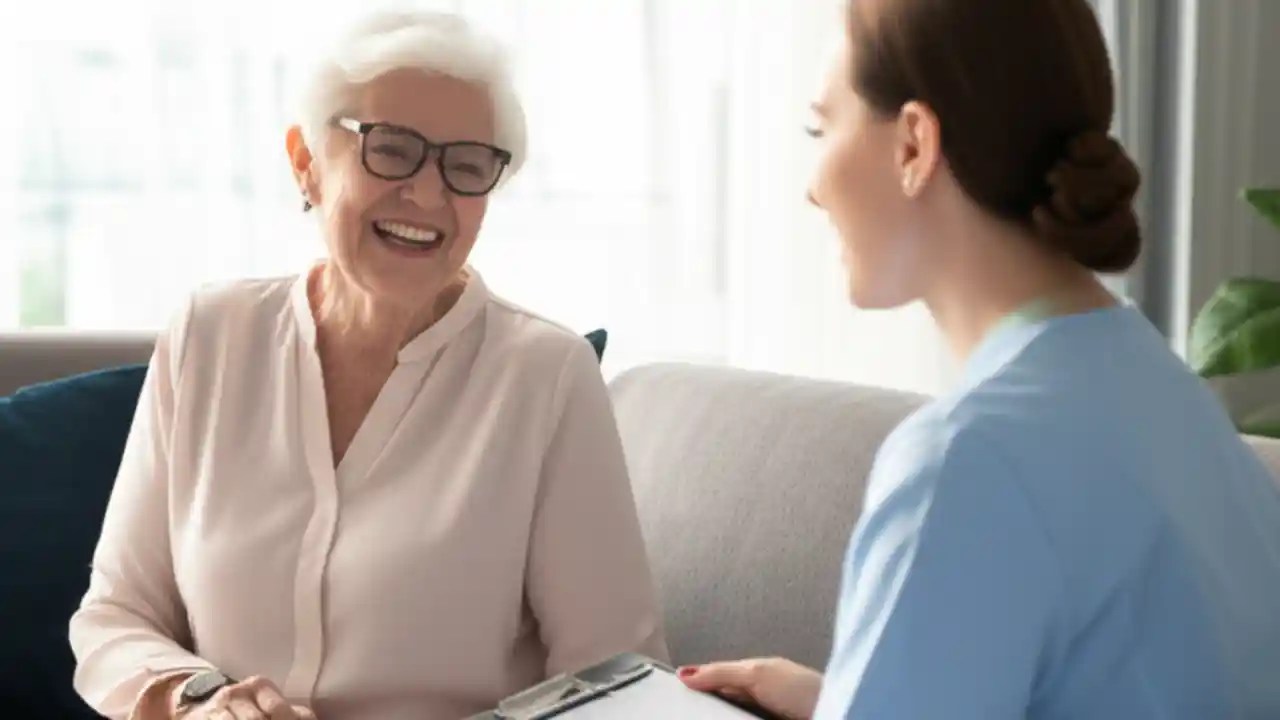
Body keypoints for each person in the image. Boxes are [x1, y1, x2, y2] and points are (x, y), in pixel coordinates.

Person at [679, 0, 1280, 718]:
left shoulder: (967, 458)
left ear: (913, 146)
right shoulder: (1162, 390)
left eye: (822, 126)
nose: (812, 187)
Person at [69, 10, 666, 720]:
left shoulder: (547, 377)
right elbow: (114, 613)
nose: (427, 193)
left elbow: (619, 687)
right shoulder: (210, 337)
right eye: (391, 149)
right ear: (305, 162)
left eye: (467, 163)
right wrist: (200, 702)